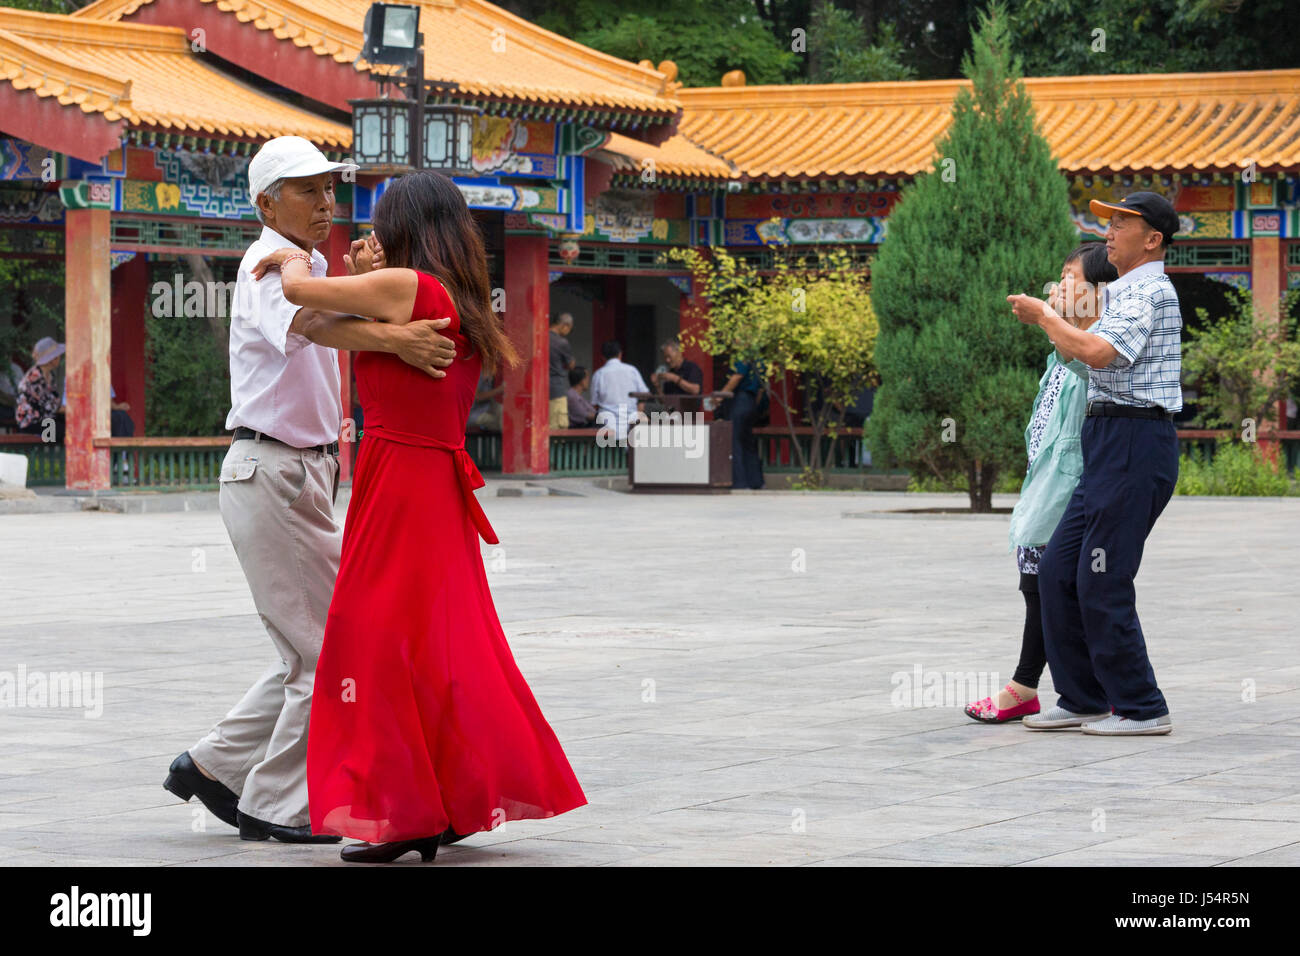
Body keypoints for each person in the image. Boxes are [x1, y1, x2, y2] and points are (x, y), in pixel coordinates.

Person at [254, 169, 587, 864]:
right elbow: (323, 327)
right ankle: (447, 805)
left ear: (405, 225)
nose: (369, 231)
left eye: (379, 220)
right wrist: (363, 291)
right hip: (419, 479)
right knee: (431, 644)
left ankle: (405, 815)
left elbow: (298, 296)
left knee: (370, 638)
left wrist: (287, 253)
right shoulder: (439, 294)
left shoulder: (411, 289)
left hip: (405, 481)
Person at [162, 136, 458, 844]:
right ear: (267, 203)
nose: (327, 203)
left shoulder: (313, 264)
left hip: (299, 475)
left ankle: (214, 767)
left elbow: (333, 316)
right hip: (274, 471)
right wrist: (401, 339)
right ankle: (273, 804)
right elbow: (313, 322)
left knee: (313, 646)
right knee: (330, 650)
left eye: (330, 189)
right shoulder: (268, 264)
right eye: (307, 191)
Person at [1008, 191, 1183, 736]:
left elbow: (1098, 354)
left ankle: (1141, 705)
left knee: (1102, 577)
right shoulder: (1122, 292)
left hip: (1135, 440)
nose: (1109, 231)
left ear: (1153, 239)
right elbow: (1078, 347)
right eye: (1109, 222)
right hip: (1106, 438)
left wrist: (1042, 316)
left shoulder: (1149, 292)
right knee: (1060, 567)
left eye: (1123, 223)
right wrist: (1061, 313)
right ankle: (1082, 697)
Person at [966, 243, 1116, 723]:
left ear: (1099, 294)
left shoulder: (1094, 352)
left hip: (1068, 494)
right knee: (1047, 588)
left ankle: (1025, 687)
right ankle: (1093, 687)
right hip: (1046, 489)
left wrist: (1048, 318)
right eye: (1060, 276)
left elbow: (1086, 362)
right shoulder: (1059, 356)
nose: (1058, 286)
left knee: (1046, 587)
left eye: (1071, 278)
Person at [721, 358, 768, 489]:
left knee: (734, 440)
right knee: (748, 442)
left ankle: (739, 482)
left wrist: (720, 396)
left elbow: (737, 377)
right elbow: (760, 389)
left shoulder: (743, 356)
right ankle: (756, 481)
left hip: (740, 399)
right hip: (752, 401)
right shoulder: (760, 360)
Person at [590, 340, 648, 441]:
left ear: (603, 357)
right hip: (631, 424)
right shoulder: (632, 370)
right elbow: (644, 394)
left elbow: (594, 403)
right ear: (620, 354)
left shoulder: (599, 374)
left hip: (607, 425)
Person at [14, 337, 64, 436]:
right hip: (32, 422)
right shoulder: (34, 378)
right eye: (57, 356)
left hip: (46, 419)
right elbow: (47, 405)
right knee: (63, 431)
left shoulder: (50, 376)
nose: (59, 358)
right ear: (51, 358)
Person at [548, 313, 575, 430]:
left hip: (539, 390)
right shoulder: (561, 342)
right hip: (556, 390)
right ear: (565, 325)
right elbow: (570, 365)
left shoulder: (539, 336)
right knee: (558, 430)